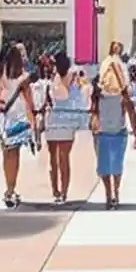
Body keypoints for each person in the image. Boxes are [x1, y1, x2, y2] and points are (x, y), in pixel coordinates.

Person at [92, 52, 136, 209]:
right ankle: (112, 194)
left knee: (109, 166)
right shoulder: (99, 94)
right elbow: (131, 112)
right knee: (111, 166)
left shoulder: (116, 94)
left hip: (110, 133)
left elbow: (130, 110)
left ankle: (111, 193)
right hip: (109, 132)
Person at [0, 44, 38, 209]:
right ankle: (11, 189)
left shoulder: (0, 75)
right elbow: (29, 100)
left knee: (6, 155)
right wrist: (34, 120)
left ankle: (8, 188)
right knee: (15, 156)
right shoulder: (24, 77)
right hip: (19, 119)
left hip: (4, 119)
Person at [44, 52, 88, 204]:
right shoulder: (73, 78)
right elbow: (82, 93)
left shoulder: (52, 79)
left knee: (52, 160)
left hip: (52, 120)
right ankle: (63, 192)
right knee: (64, 159)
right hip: (67, 121)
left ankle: (55, 191)